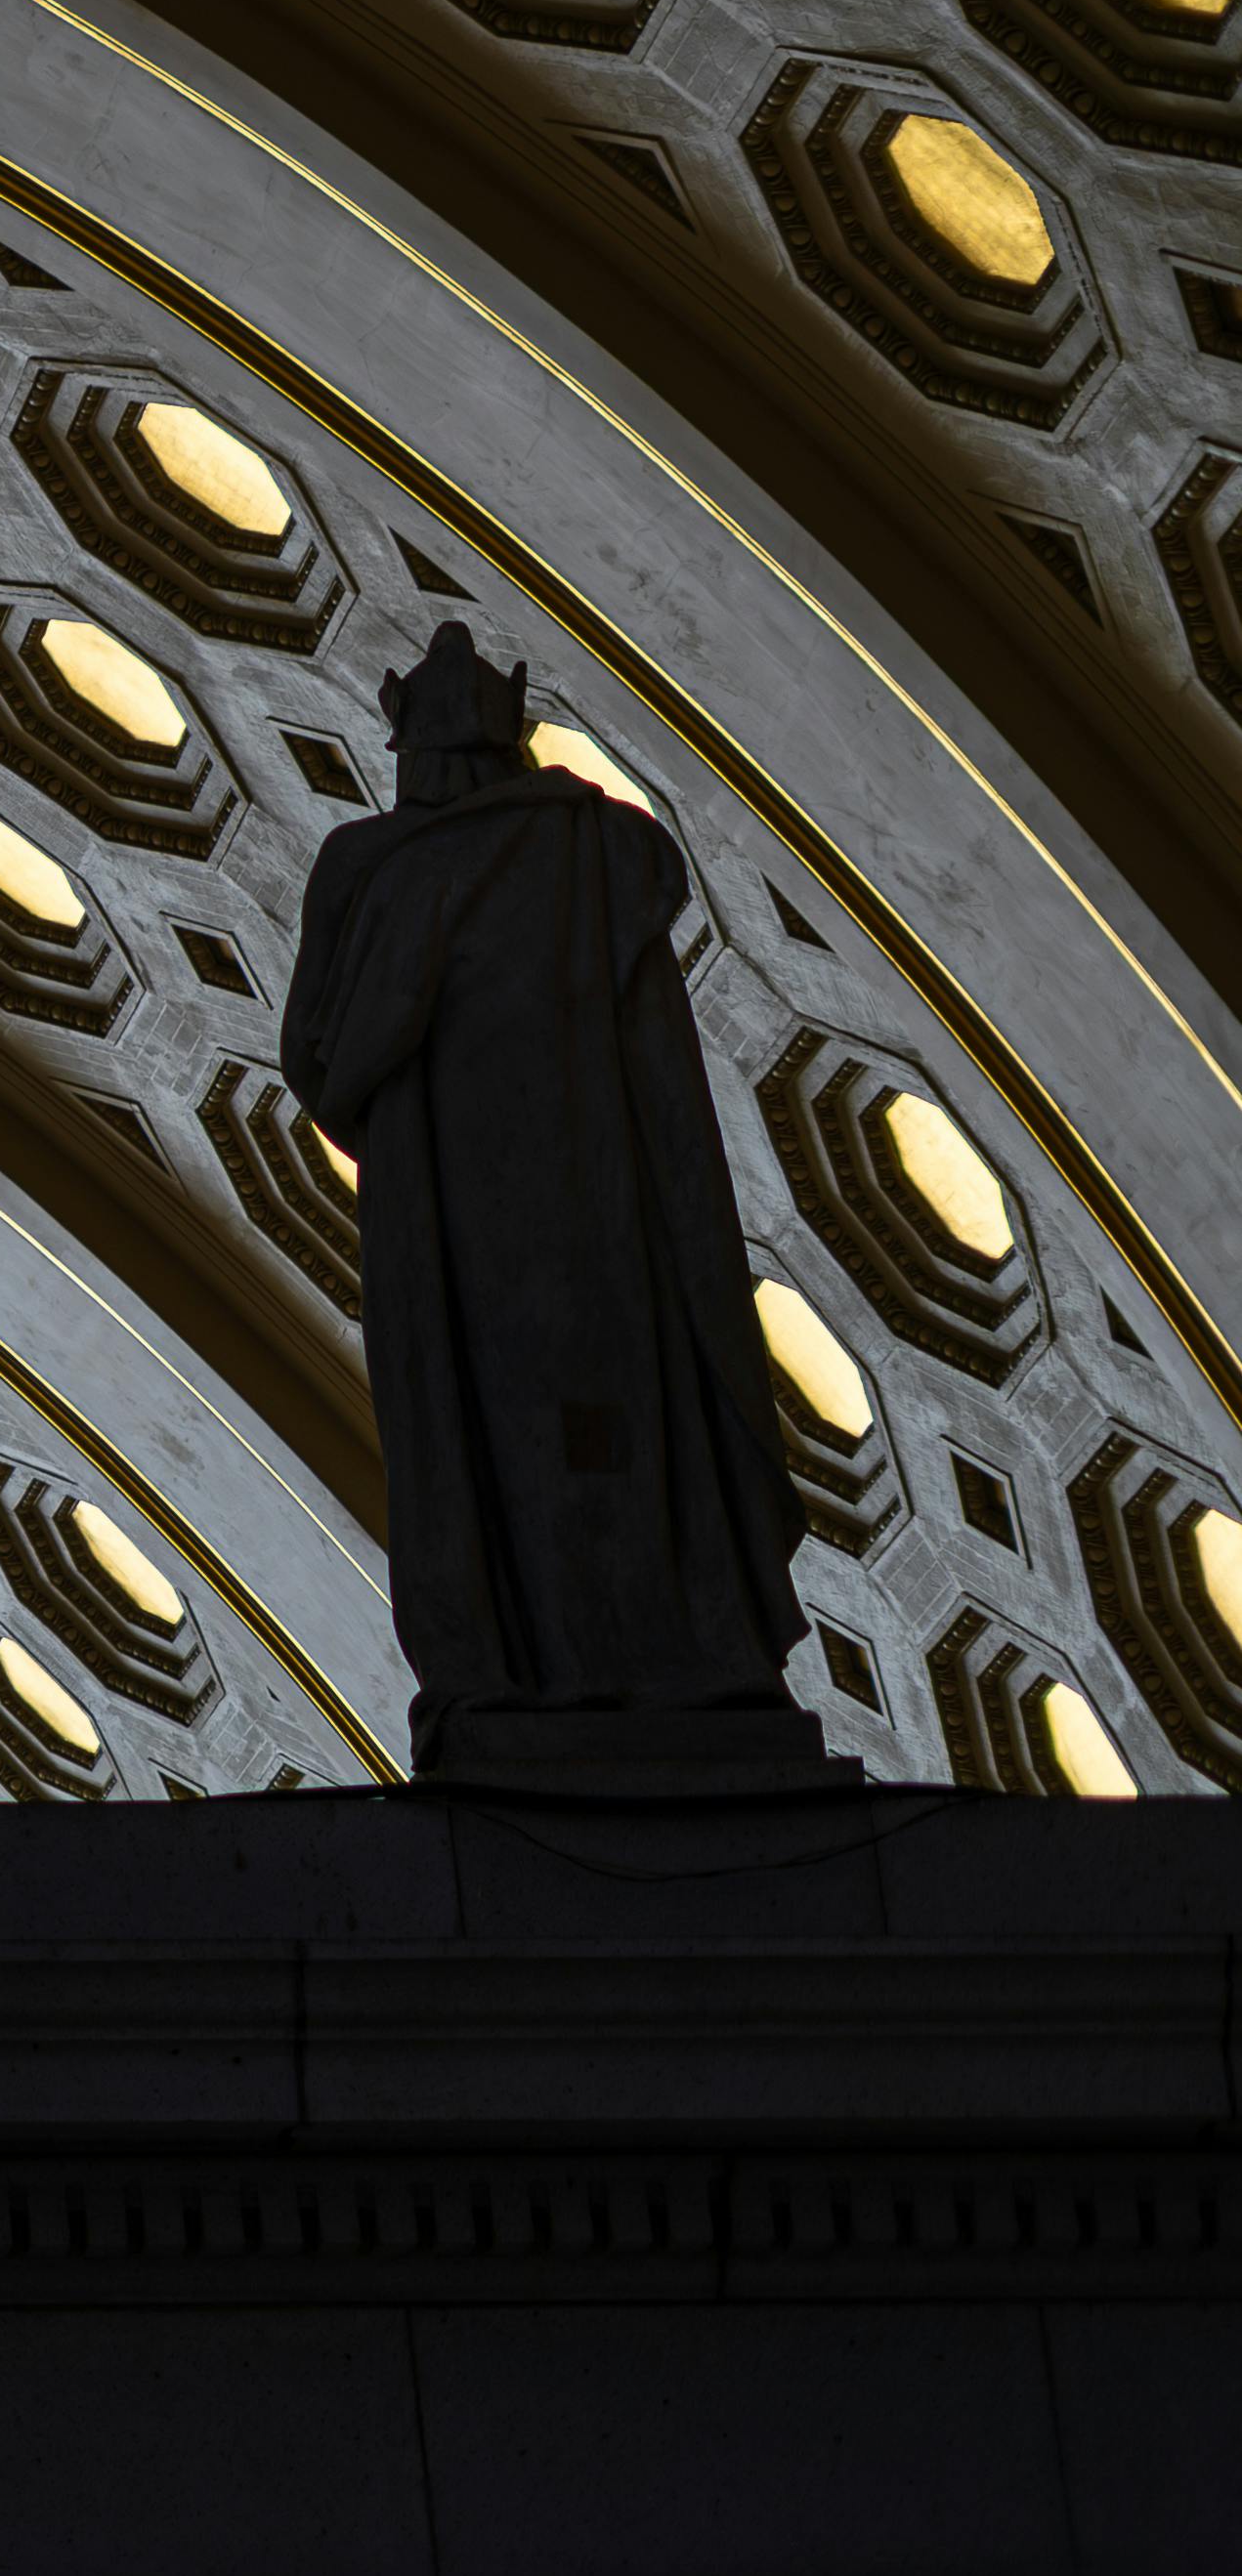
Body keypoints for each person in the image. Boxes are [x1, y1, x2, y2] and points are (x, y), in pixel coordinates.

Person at [279, 623, 845, 1791]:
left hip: (466, 1221)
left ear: (403, 748)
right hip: (598, 1206)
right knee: (609, 1419)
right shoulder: (596, 846)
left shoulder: (376, 863)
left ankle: (529, 1665)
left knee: (484, 1433)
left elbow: (325, 1055)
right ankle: (668, 1648)